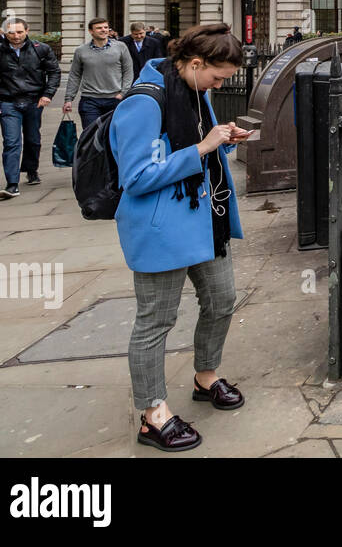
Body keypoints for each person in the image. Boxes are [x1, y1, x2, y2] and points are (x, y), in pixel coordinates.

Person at [113, 23, 253, 453]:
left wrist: (224, 141)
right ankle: (153, 414)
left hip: (205, 219)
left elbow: (199, 148)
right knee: (155, 322)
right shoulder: (142, 103)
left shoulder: (195, 91)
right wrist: (203, 148)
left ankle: (205, 376)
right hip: (161, 230)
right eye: (218, 77)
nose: (220, 84)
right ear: (195, 63)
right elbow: (136, 177)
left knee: (222, 300)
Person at [0, 17, 61, 199]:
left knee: (33, 140)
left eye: (19, 32)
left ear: (27, 31)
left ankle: (31, 169)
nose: (15, 36)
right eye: (11, 33)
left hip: (34, 101)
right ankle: (12, 184)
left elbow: (54, 72)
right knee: (11, 142)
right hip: (8, 102)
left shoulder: (41, 49)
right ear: (4, 32)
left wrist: (47, 94)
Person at [64, 18, 135, 132]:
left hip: (115, 99)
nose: (104, 30)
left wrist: (123, 93)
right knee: (91, 136)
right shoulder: (81, 51)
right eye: (99, 28)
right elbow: (75, 75)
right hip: (90, 100)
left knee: (113, 135)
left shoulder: (121, 47)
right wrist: (68, 99)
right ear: (91, 31)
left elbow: (128, 71)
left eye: (106, 27)